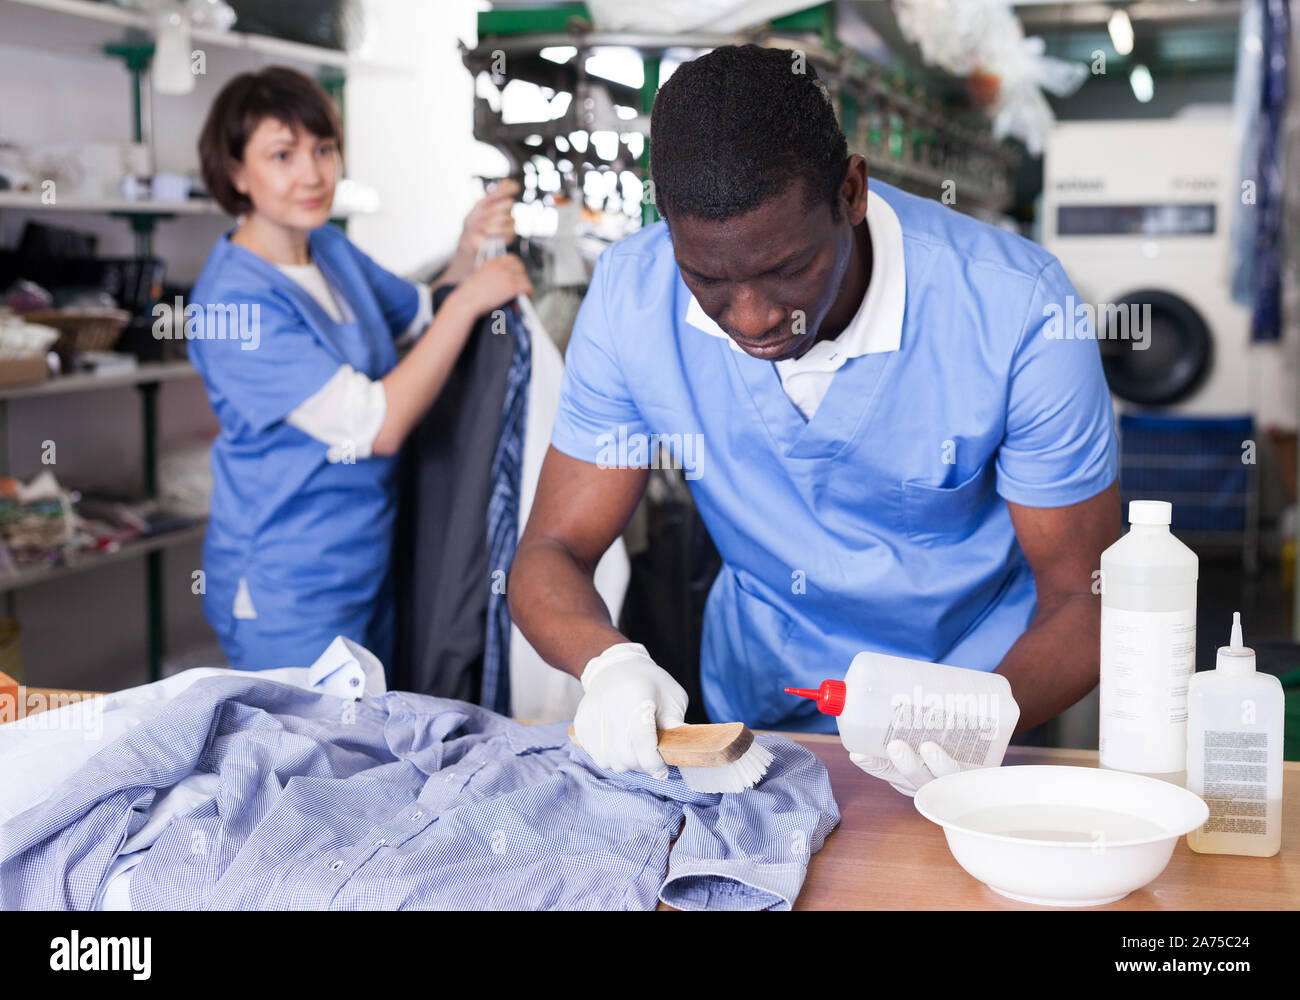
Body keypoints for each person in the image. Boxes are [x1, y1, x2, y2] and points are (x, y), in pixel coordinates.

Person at [508, 45, 1121, 793]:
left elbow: (1084, 595)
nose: (756, 317)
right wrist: (606, 663)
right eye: (707, 278)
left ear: (852, 192)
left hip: (978, 694)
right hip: (761, 709)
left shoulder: (1017, 308)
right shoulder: (631, 300)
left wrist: (975, 717)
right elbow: (551, 551)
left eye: (788, 269)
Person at [188, 66, 532, 670]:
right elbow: (376, 425)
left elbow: (423, 313)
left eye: (323, 149)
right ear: (236, 171)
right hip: (286, 586)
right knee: (308, 760)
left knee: (373, 754)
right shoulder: (233, 305)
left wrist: (467, 246)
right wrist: (476, 296)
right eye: (283, 154)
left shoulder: (328, 248)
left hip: (366, 561)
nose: (312, 174)